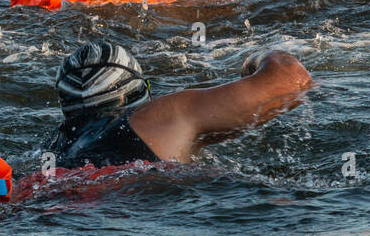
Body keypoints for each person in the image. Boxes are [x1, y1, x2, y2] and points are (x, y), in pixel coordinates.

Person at [42, 41, 311, 168]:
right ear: (140, 90)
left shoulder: (57, 144)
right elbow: (292, 79)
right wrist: (256, 58)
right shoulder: (158, 116)